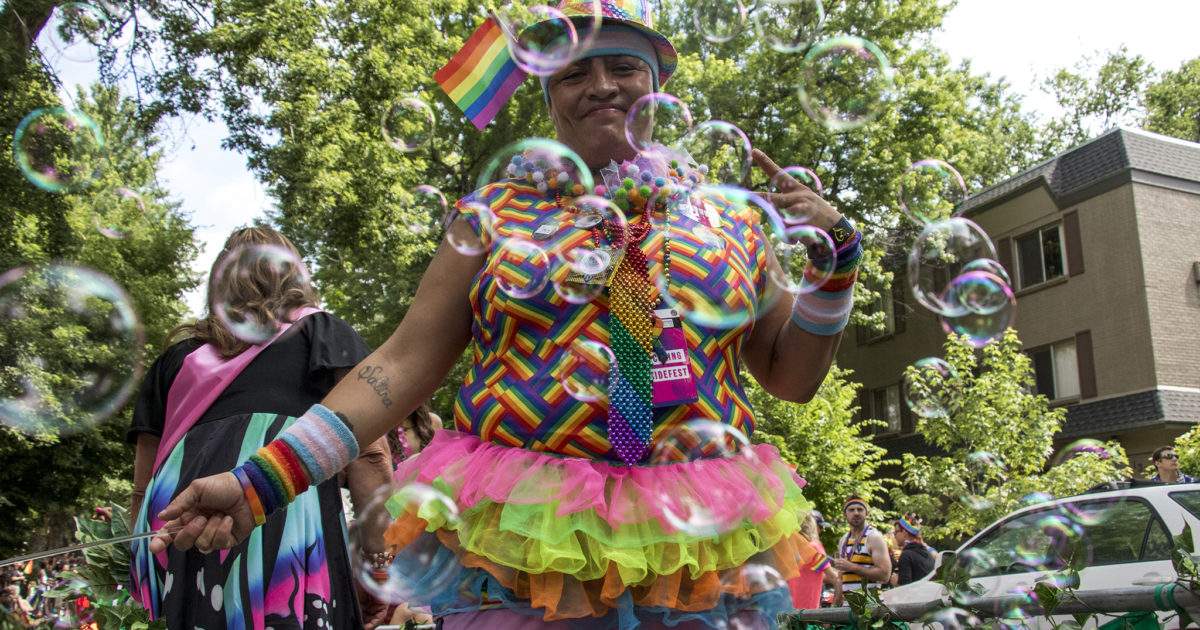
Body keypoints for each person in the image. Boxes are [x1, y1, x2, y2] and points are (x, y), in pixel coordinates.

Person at [147, 0, 865, 627]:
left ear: (659, 83)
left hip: (703, 544)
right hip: (520, 544)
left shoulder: (728, 220)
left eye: (622, 65)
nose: (601, 86)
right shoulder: (494, 215)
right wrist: (260, 482)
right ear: (547, 93)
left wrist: (835, 268)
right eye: (574, 72)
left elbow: (790, 377)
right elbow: (398, 365)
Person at [127, 227, 389, 629]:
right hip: (280, 515)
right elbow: (370, 455)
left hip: (177, 524)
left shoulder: (176, 360)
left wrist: (138, 563)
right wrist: (378, 566)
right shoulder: (322, 335)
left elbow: (143, 487)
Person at [830, 495, 891, 605]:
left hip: (871, 607)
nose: (856, 513)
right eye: (851, 510)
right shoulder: (843, 540)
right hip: (847, 608)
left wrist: (852, 567)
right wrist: (835, 605)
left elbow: (885, 575)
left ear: (866, 513)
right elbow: (841, 577)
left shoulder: (874, 537)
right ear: (845, 514)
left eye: (860, 509)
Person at [787, 512, 837, 610]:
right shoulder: (810, 547)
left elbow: (828, 576)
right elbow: (831, 577)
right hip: (801, 610)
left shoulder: (807, 547)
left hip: (799, 610)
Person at [888, 515, 934, 587]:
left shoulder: (906, 556)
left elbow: (905, 588)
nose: (894, 536)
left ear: (904, 533)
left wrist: (895, 582)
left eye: (896, 532)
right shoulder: (927, 554)